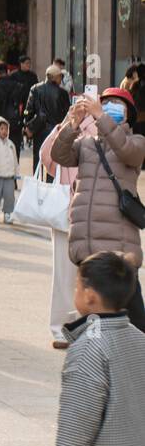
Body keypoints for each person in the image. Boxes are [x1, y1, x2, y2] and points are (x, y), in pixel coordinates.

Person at [53, 251, 145, 446]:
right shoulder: (139, 338)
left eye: (77, 286)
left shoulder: (88, 346)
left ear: (90, 295)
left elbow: (80, 411)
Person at [51, 87, 145, 332]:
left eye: (116, 105)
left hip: (120, 246)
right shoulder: (87, 144)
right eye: (106, 104)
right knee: (93, 313)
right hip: (88, 242)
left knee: (133, 315)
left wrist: (101, 118)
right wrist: (72, 125)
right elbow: (59, 155)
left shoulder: (136, 142)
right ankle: (95, 358)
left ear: (128, 114)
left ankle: (137, 358)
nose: (108, 108)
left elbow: (126, 151)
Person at [40, 122, 83, 349]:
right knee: (63, 275)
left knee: (90, 277)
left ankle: (86, 328)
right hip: (64, 212)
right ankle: (61, 328)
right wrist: (67, 125)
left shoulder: (105, 128)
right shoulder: (67, 125)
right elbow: (47, 159)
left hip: (93, 214)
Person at [23, 64, 71, 174]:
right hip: (56, 132)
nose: (61, 79)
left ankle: (37, 183)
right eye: (60, 77)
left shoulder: (35, 89)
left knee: (38, 158)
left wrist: (28, 124)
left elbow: (28, 110)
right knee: (53, 161)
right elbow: (67, 114)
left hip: (39, 130)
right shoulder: (62, 93)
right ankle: (51, 184)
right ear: (55, 77)